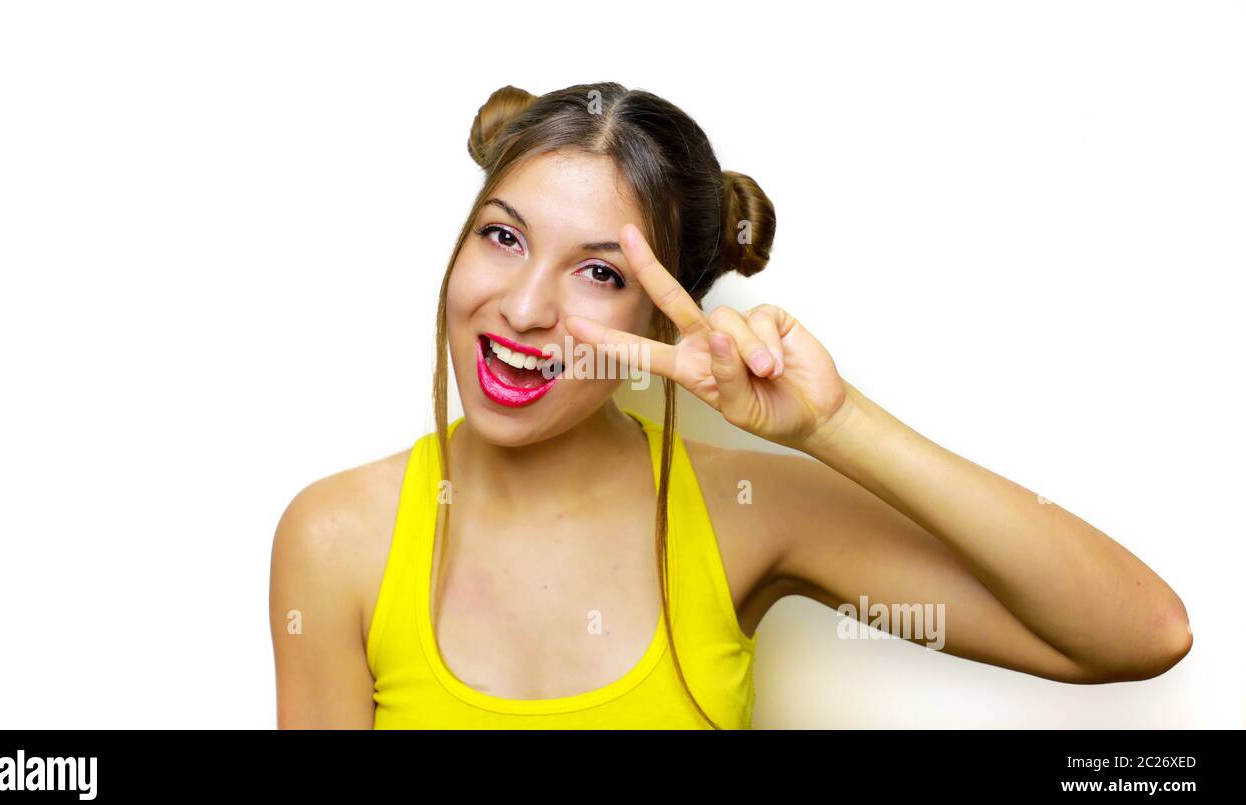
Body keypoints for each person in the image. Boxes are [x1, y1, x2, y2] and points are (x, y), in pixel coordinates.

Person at [269, 82, 1192, 729]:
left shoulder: (749, 513)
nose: (522, 307)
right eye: (502, 237)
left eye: (599, 271)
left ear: (664, 320)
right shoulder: (337, 535)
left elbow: (1141, 635)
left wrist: (838, 426)